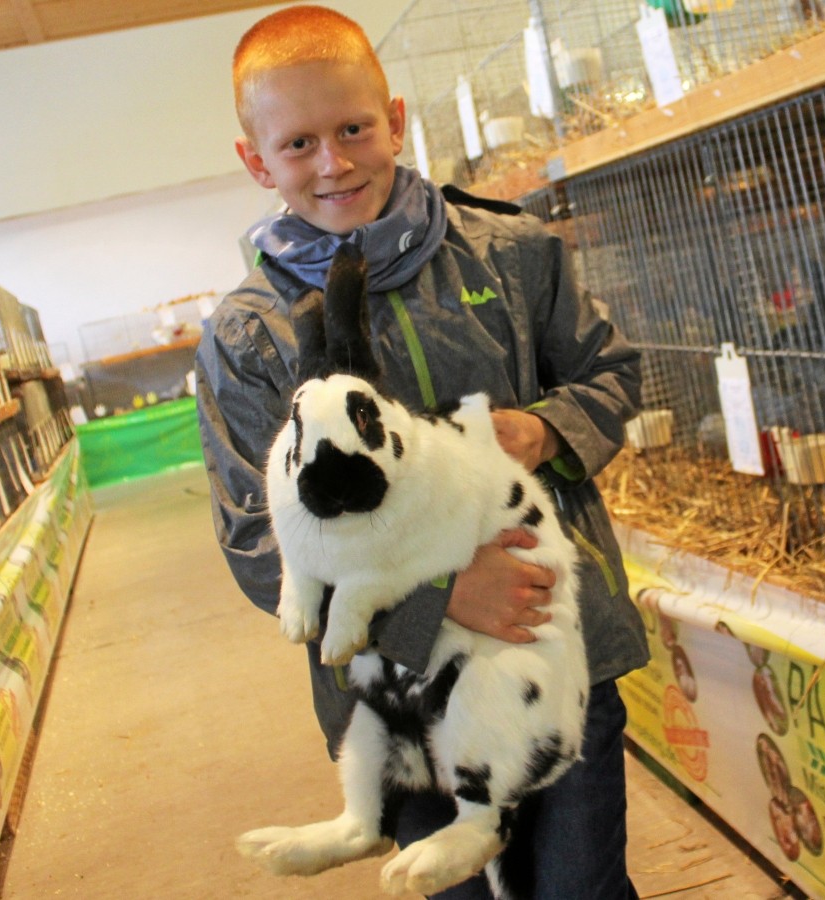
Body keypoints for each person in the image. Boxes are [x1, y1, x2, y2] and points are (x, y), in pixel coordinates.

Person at [194, 6, 650, 898]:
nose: (335, 162)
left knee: (581, 882)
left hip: (553, 649)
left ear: (395, 119)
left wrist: (548, 428)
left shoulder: (513, 254)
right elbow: (258, 541)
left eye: (355, 128)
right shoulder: (249, 339)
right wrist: (443, 599)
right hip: (402, 690)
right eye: (298, 145)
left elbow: (612, 372)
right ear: (256, 161)